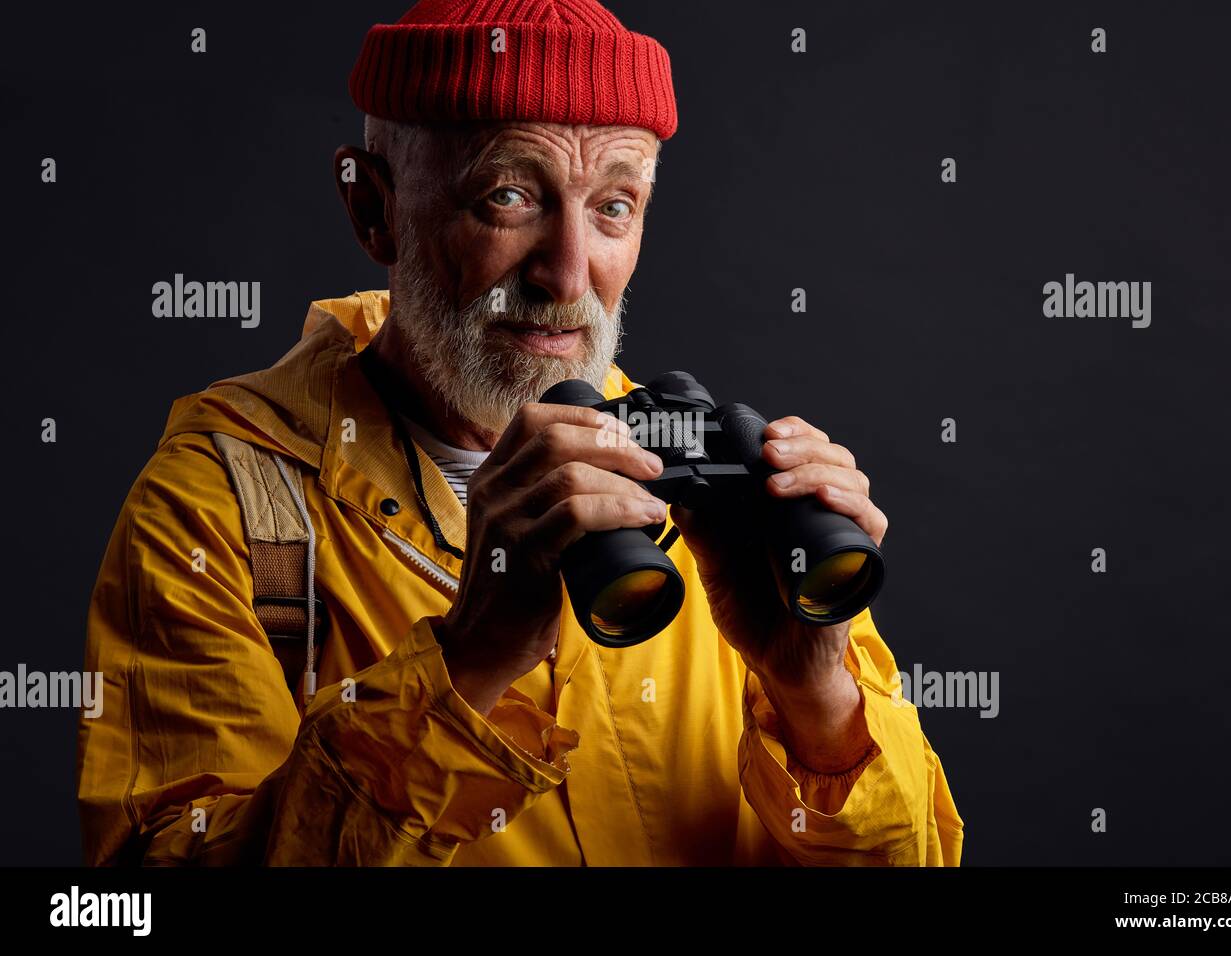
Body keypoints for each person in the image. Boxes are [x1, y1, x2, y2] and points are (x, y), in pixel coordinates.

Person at [77, 0, 963, 866]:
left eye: (613, 205)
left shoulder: (704, 483)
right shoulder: (221, 506)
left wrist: (816, 699)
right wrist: (467, 660)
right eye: (508, 195)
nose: (569, 272)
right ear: (373, 208)